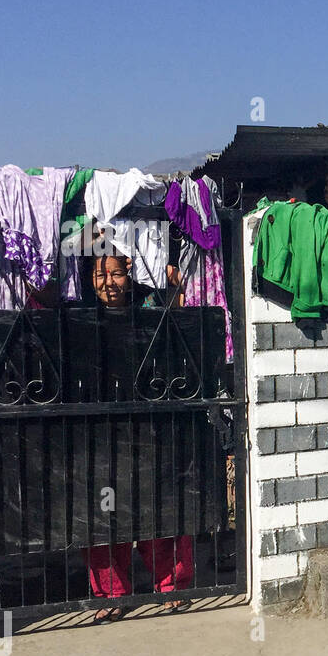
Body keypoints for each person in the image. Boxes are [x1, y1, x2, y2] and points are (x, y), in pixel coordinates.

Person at [84, 253, 193, 620]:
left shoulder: (148, 302)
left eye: (115, 274)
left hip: (148, 423)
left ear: (129, 273)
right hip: (98, 428)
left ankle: (171, 587)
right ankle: (111, 595)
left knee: (156, 507)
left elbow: (177, 321)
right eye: (100, 275)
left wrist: (175, 284)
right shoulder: (83, 312)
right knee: (101, 516)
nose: (108, 283)